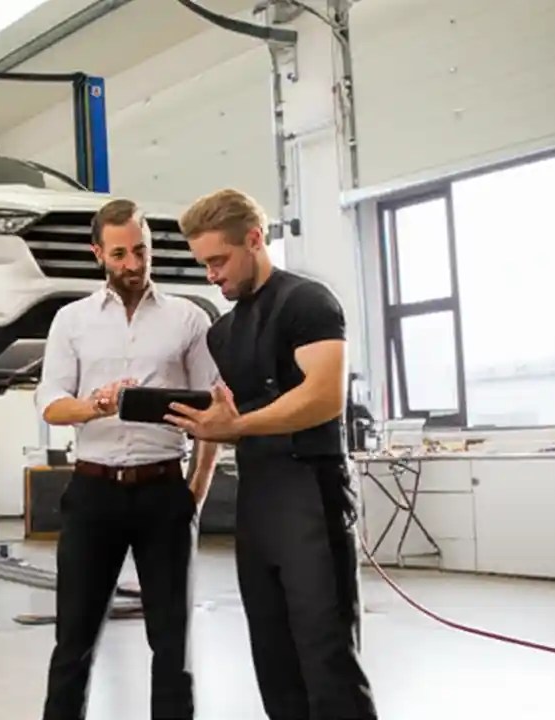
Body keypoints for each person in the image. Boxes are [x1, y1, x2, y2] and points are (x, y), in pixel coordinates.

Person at [166, 188, 378, 720]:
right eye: (203, 264)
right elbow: (226, 416)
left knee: (325, 653)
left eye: (218, 260)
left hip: (312, 491)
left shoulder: (307, 301)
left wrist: (238, 425)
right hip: (258, 498)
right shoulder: (224, 333)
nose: (211, 275)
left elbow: (323, 395)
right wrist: (200, 469)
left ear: (255, 239)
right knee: (273, 657)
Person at [35, 198, 221, 720]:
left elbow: (213, 410)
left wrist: (194, 494)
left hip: (165, 492)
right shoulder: (71, 321)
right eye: (120, 254)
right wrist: (97, 404)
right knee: (73, 640)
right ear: (98, 254)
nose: (134, 265)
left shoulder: (188, 318)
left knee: (172, 645)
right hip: (93, 493)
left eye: (142, 250)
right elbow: (51, 404)